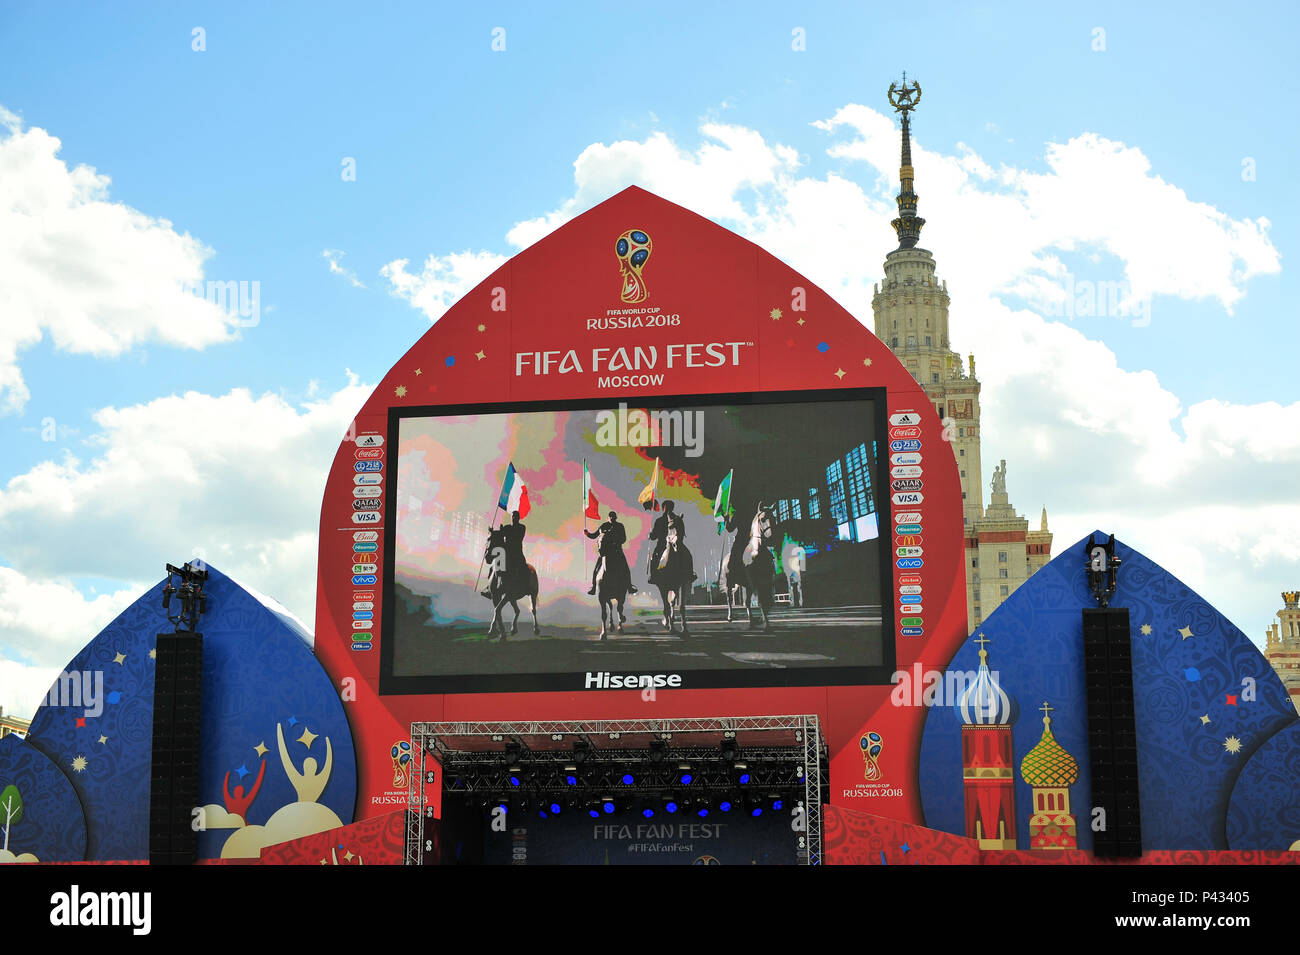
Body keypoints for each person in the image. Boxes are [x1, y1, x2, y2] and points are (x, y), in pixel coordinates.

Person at [587, 510, 635, 594]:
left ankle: (629, 586)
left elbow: (623, 538)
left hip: (617, 551)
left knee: (626, 569)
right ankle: (594, 588)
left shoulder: (620, 526)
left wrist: (615, 542)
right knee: (596, 569)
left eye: (613, 517)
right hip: (605, 552)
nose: (612, 518)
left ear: (616, 518)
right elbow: (594, 535)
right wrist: (587, 533)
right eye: (611, 517)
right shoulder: (603, 526)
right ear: (608, 517)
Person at [483, 510, 527, 598]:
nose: (514, 518)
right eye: (513, 516)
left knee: (523, 567)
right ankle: (489, 587)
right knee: (494, 566)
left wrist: (505, 532)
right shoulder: (507, 527)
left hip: (516, 553)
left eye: (516, 516)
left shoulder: (522, 527)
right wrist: (493, 531)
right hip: (506, 552)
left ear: (519, 518)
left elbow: (518, 538)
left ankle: (525, 585)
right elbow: (500, 534)